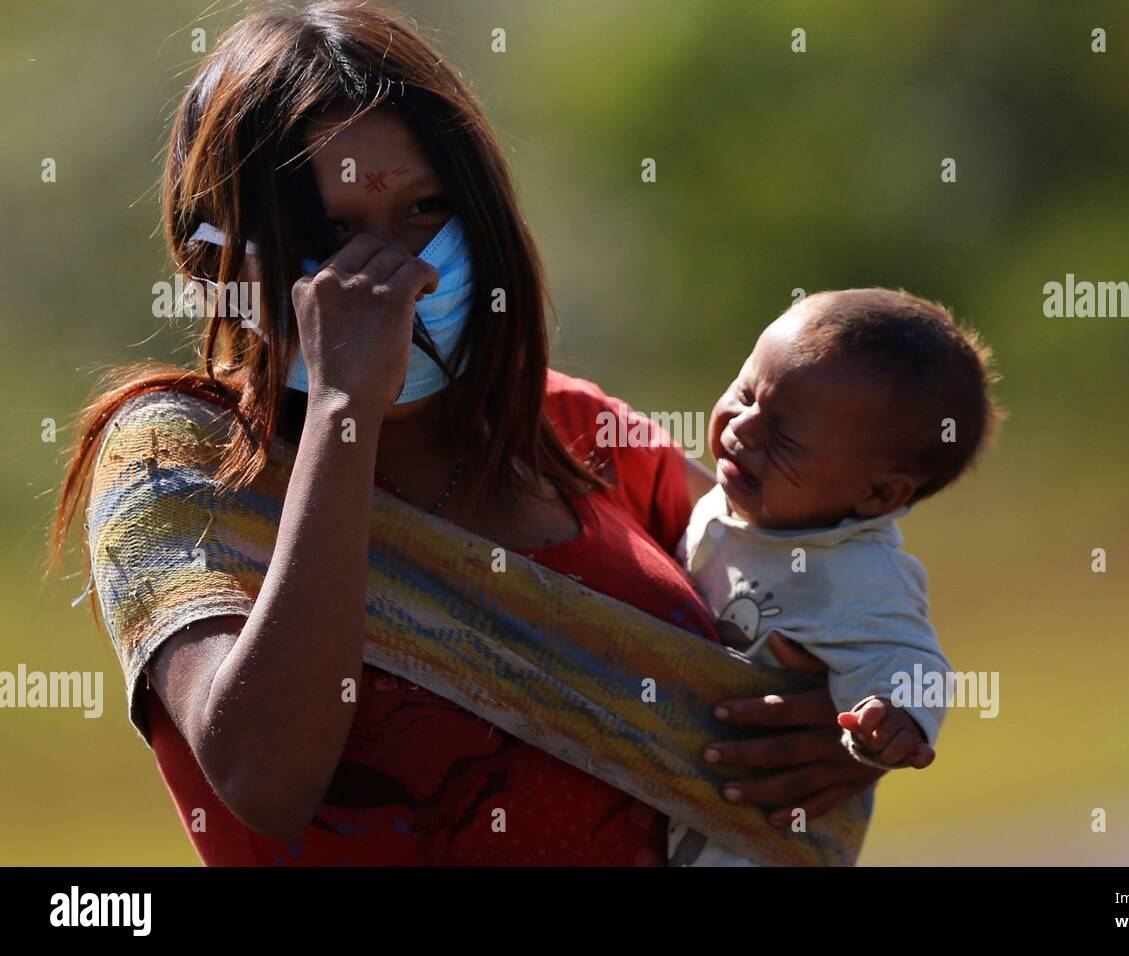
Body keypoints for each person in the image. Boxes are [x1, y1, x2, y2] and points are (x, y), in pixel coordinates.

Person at [47, 1, 882, 865]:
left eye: (426, 210)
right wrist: (343, 411)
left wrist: (843, 704)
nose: (398, 274)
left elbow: (825, 574)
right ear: (222, 255)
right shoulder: (178, 460)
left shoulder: (568, 429)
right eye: (333, 232)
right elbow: (264, 778)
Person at [668, 288, 999, 865]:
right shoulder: (730, 502)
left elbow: (913, 662)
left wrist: (891, 721)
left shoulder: (860, 574)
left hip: (757, 840)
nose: (743, 428)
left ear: (876, 494)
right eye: (746, 393)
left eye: (785, 435)